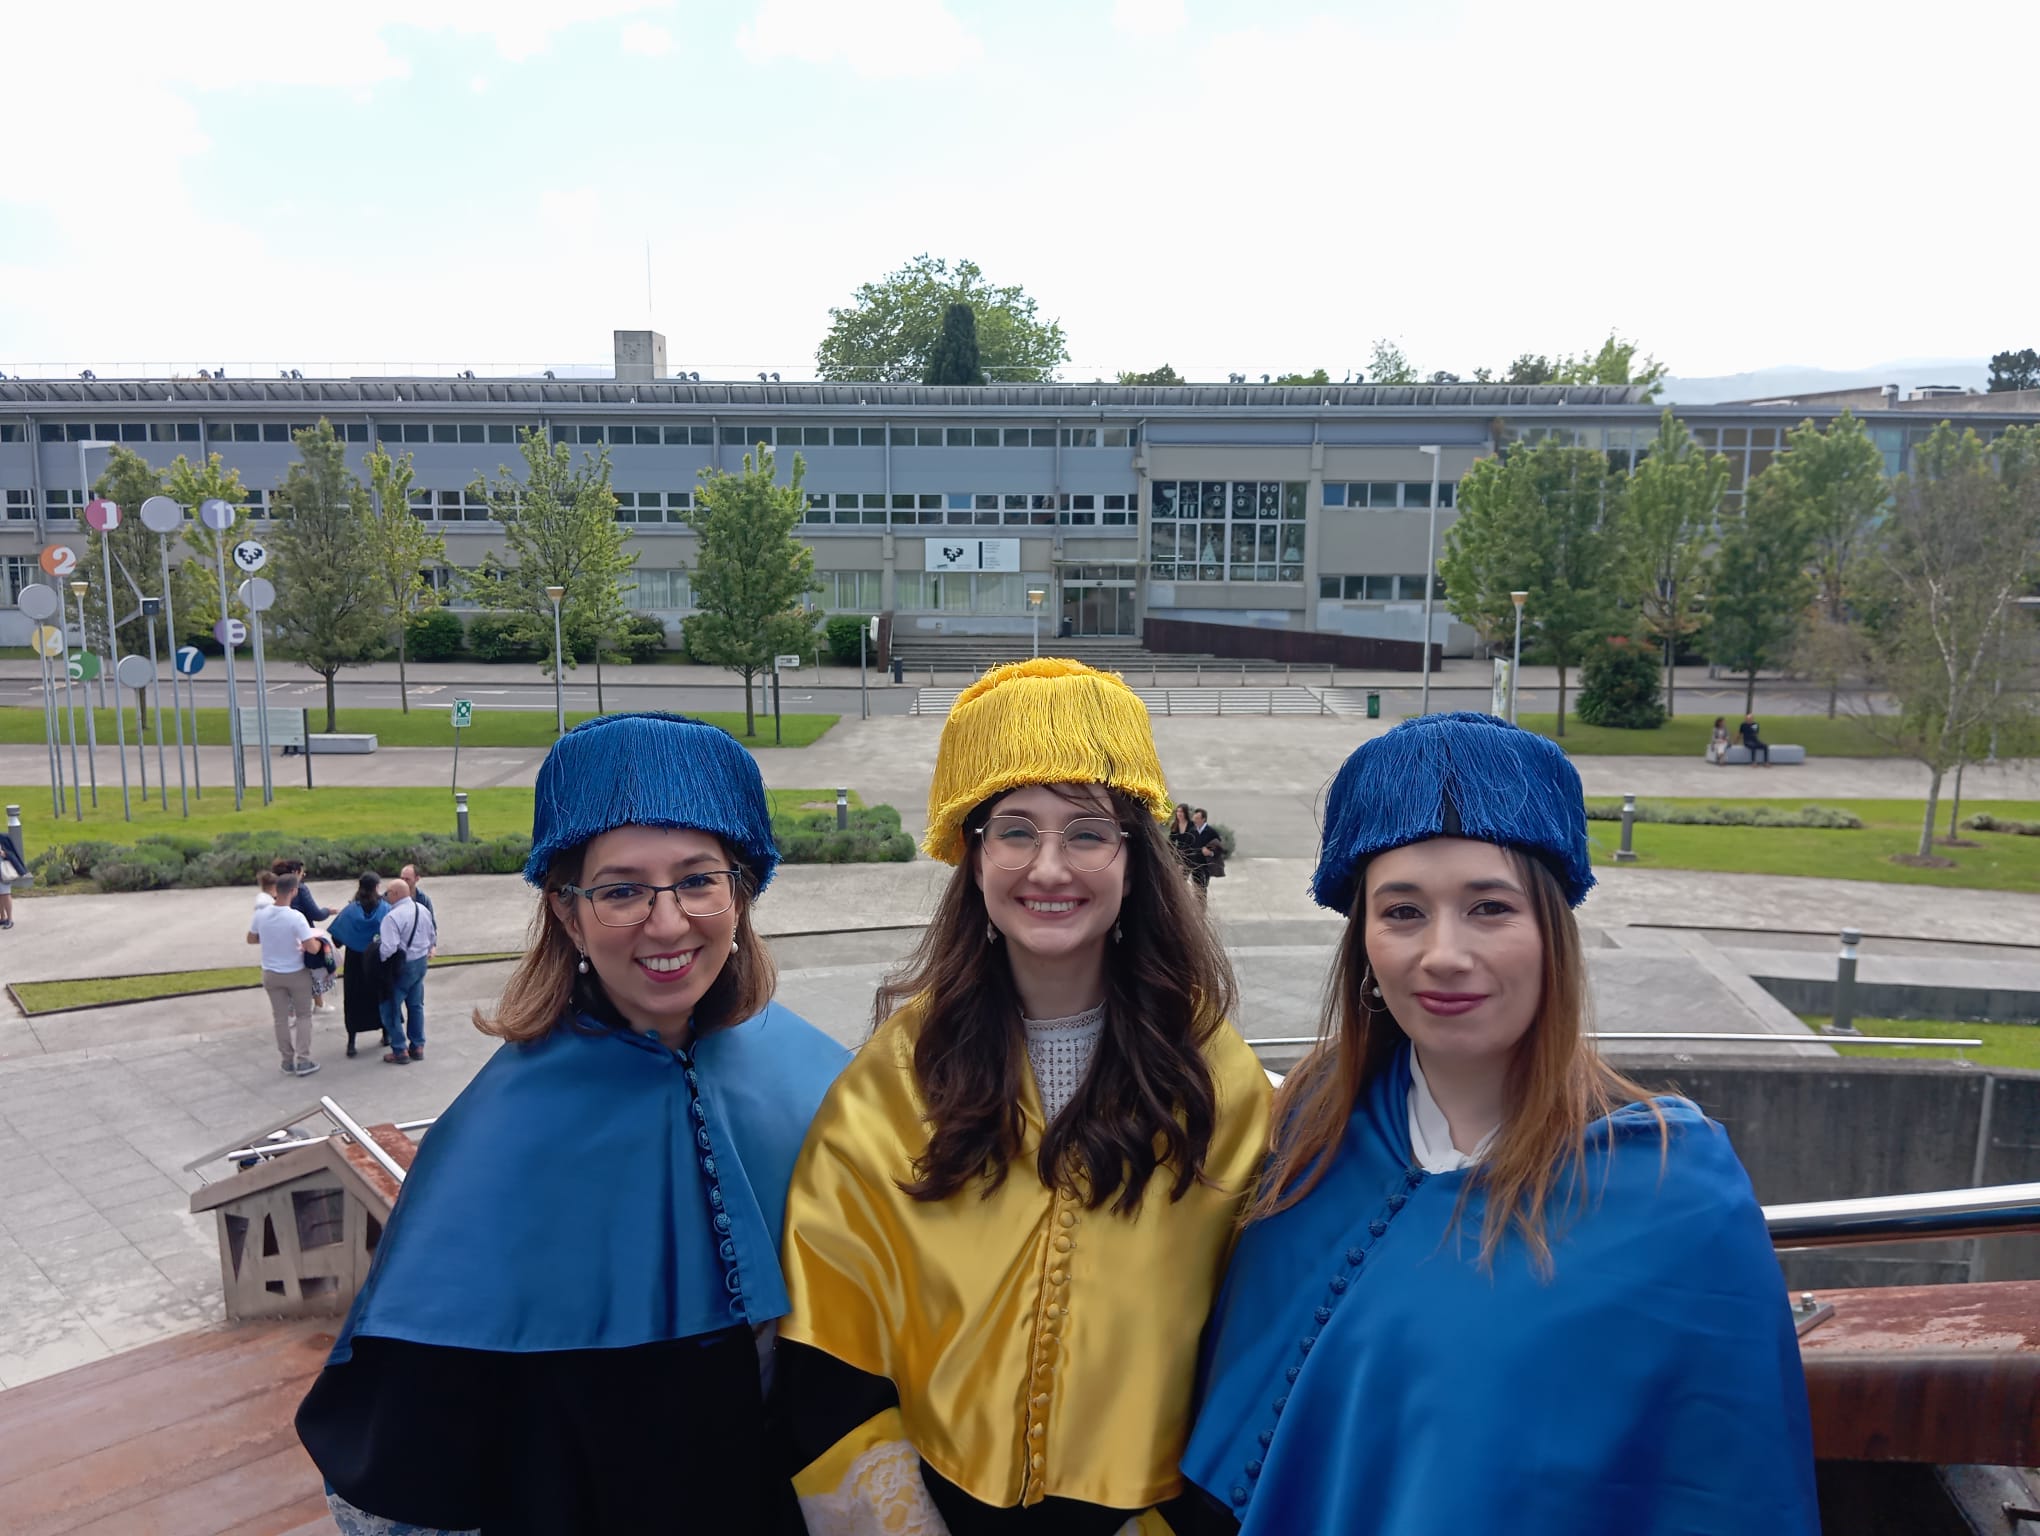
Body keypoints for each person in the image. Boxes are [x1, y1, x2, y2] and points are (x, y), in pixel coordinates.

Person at [1182, 712, 1818, 1534]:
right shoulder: (1305, 1141)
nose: (1444, 953)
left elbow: (1730, 1491)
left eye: (1489, 907)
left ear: (1552, 932)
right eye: (1403, 912)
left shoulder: (1674, 1193)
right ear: (1364, 945)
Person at [297, 711, 848, 1534]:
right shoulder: (497, 1140)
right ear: (566, 911)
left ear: (742, 889)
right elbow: (400, 1484)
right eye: (621, 890)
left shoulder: (817, 1075)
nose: (667, 924)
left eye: (698, 880)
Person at [777, 658, 1271, 1533]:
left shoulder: (1218, 1090)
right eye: (1014, 830)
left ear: (1133, 859)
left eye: (1087, 832)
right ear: (971, 856)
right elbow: (831, 1358)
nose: (1050, 867)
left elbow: (1258, 1363)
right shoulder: (891, 1085)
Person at [248, 872, 325, 1076]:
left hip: (271, 973)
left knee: (280, 1018)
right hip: (295, 972)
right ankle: (303, 1059)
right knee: (303, 1016)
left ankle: (286, 1060)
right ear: (293, 891)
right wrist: (320, 940)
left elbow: (251, 938)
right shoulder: (295, 917)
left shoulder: (261, 914)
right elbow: (312, 948)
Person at [327, 872, 391, 1059]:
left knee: (354, 1000)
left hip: (355, 963)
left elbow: (337, 940)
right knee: (379, 996)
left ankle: (352, 1042)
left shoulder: (350, 911)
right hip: (377, 960)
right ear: (377, 887)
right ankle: (385, 1034)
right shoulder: (385, 909)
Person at [376, 878, 437, 1064]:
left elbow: (389, 948)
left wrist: (376, 957)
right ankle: (417, 1046)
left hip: (401, 967)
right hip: (420, 964)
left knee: (391, 1008)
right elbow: (432, 935)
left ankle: (400, 1049)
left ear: (394, 894)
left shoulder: (392, 917)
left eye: (387, 893)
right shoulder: (422, 909)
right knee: (416, 1005)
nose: (385, 896)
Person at [275, 858, 337, 1009]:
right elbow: (316, 913)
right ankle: (318, 1004)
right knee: (311, 968)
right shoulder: (300, 889)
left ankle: (293, 1004)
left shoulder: (277, 887)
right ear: (296, 872)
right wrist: (328, 911)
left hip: (283, 936)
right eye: (303, 872)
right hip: (304, 934)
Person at [0, 824, 24, 931]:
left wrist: (4, 853)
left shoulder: (3, 838)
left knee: (5, 893)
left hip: (3, 870)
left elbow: (12, 853)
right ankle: (2, 917)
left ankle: (10, 919)